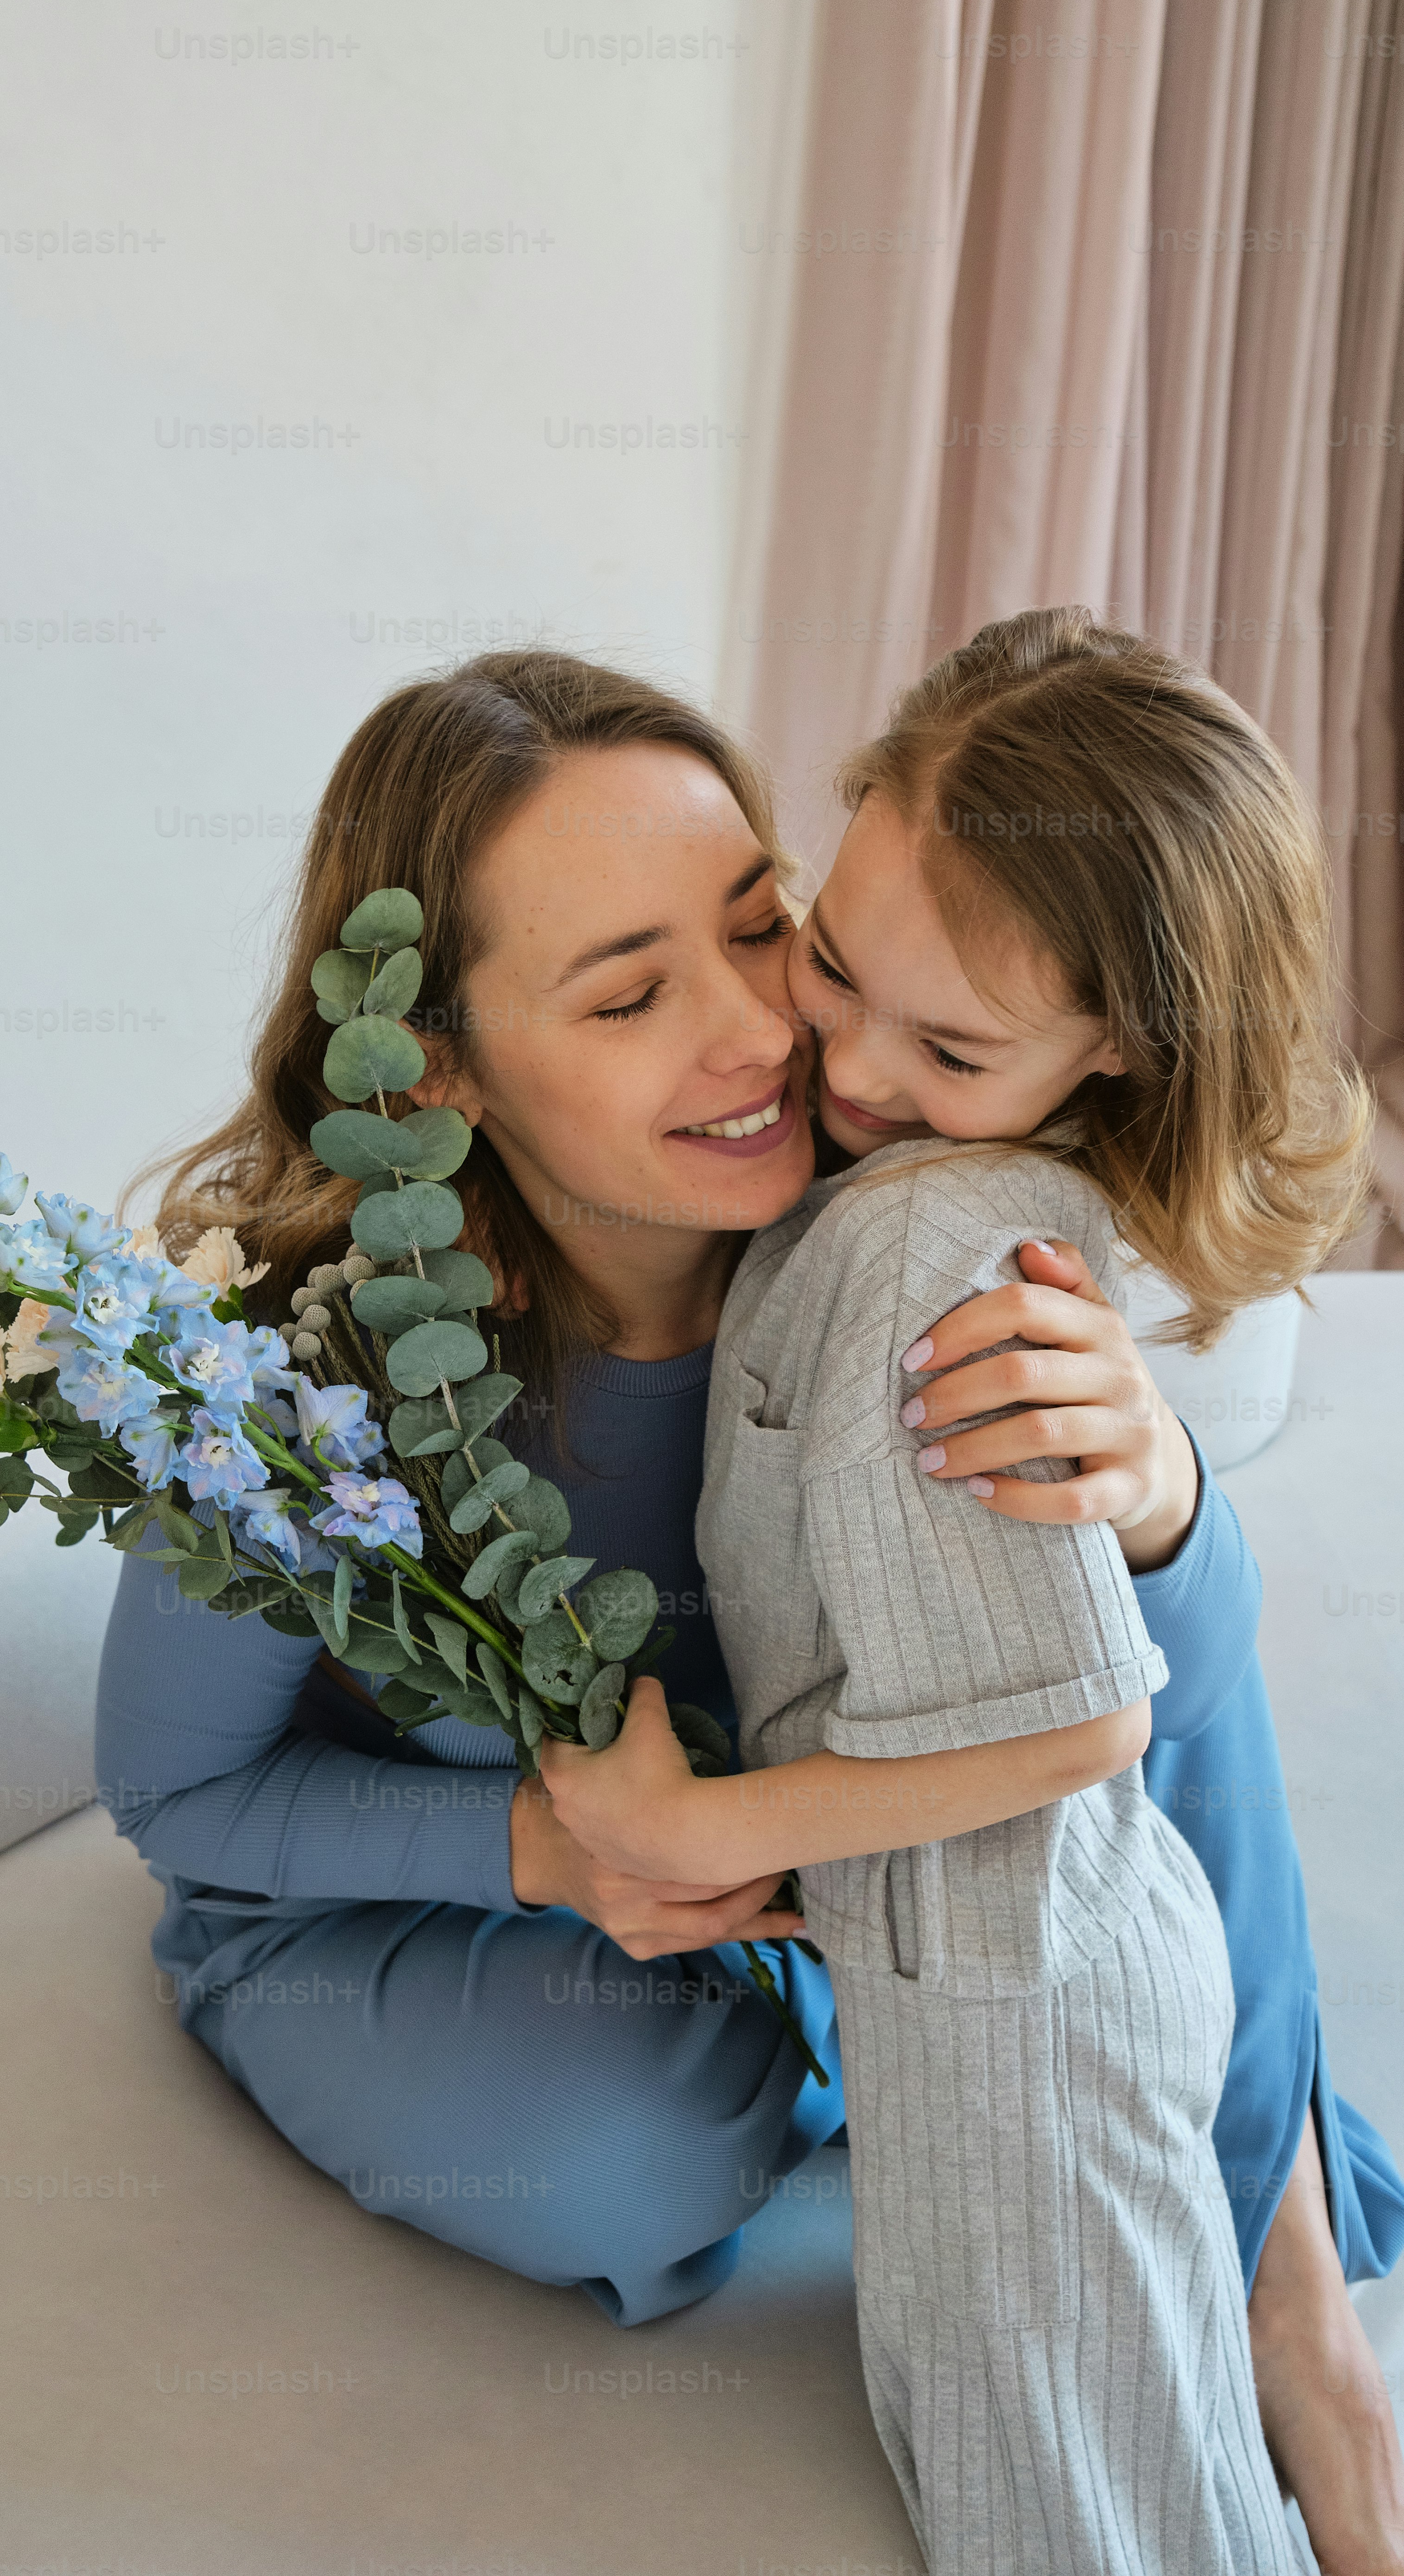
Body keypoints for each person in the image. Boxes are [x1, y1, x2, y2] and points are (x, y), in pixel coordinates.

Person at [94, 646, 1404, 2572]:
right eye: (630, 992)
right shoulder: (311, 1365)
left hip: (798, 1840)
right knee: (628, 2149)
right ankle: (823, 2006)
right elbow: (177, 1800)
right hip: (416, 1889)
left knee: (1108, 1838)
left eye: (757, 926)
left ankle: (1288, 2296)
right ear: (431, 1065)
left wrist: (1156, 1501)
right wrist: (544, 1845)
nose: (766, 1037)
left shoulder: (879, 1238)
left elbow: (1174, 1728)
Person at [541, 608, 1377, 2567]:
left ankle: (1304, 2306)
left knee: (1173, 1651)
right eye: (832, 961)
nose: (833, 1062)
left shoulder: (968, 1261)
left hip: (1042, 1868)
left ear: (1114, 1048)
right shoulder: (882, 1190)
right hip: (957, 1818)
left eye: (949, 1047)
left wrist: (1161, 1489)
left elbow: (1110, 1723)